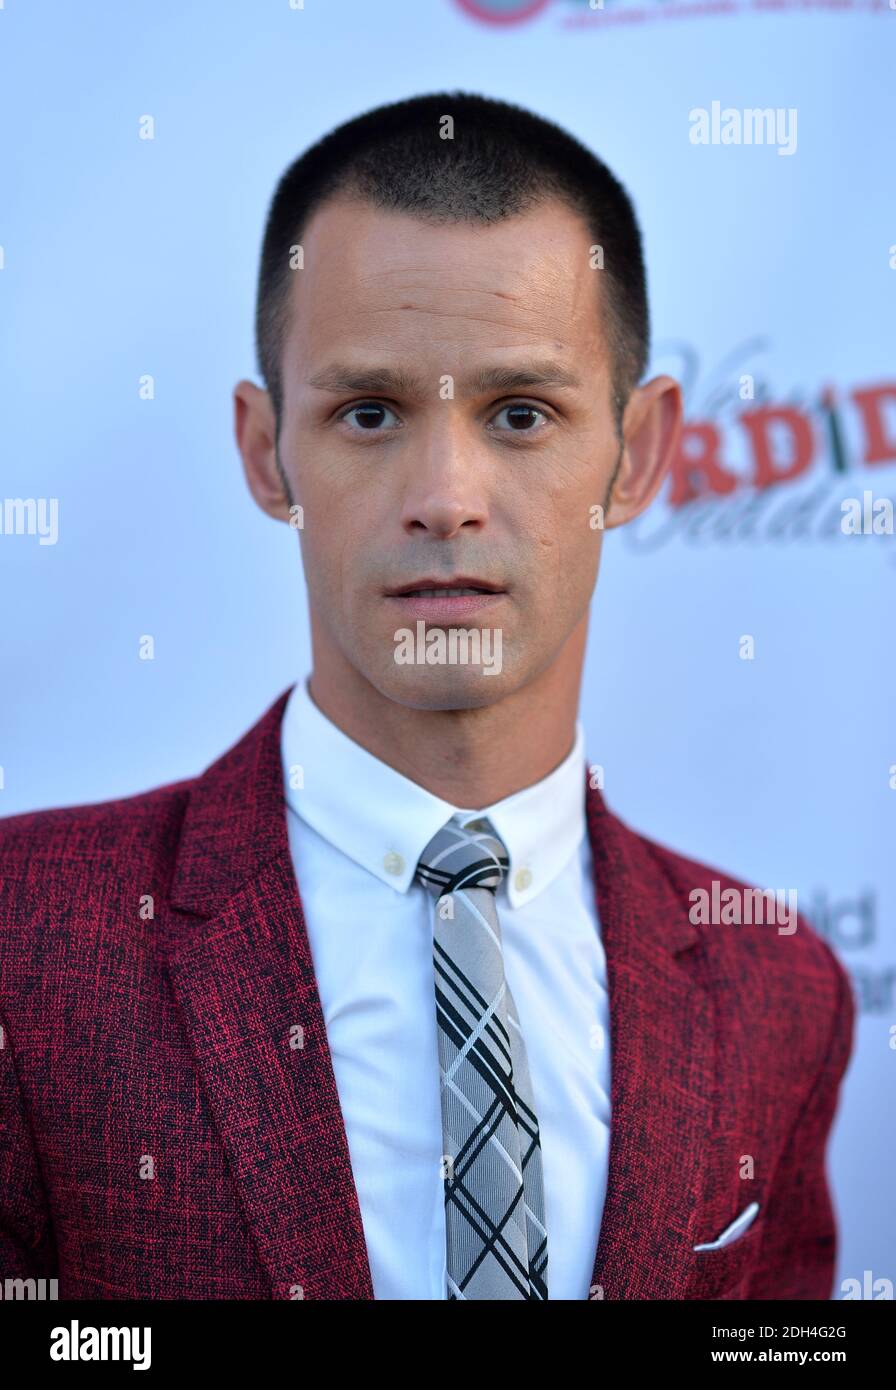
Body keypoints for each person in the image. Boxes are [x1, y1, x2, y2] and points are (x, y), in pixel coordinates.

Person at [0, 91, 853, 1301]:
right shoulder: (22, 944)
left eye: (520, 413)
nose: (444, 495)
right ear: (264, 452)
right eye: (368, 412)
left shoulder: (776, 992)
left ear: (640, 451)